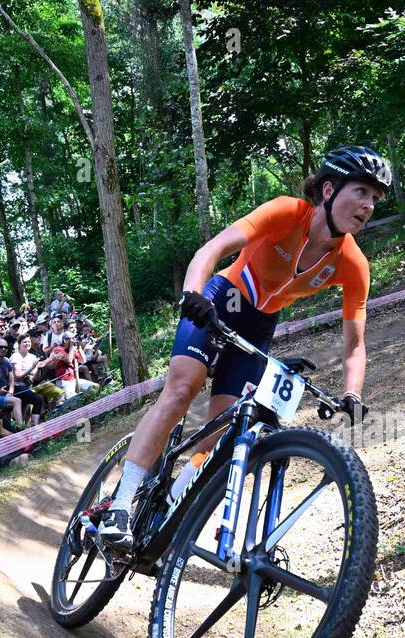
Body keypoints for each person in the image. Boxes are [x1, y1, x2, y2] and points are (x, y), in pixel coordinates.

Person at [98, 144, 389, 547]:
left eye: (375, 198)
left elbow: (355, 344)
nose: (368, 205)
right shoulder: (287, 211)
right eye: (361, 191)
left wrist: (353, 392)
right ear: (328, 189)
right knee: (183, 388)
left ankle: (168, 510)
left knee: (222, 432)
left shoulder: (353, 264)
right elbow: (211, 250)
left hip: (259, 325)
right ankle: (122, 503)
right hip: (220, 298)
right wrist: (192, 294)